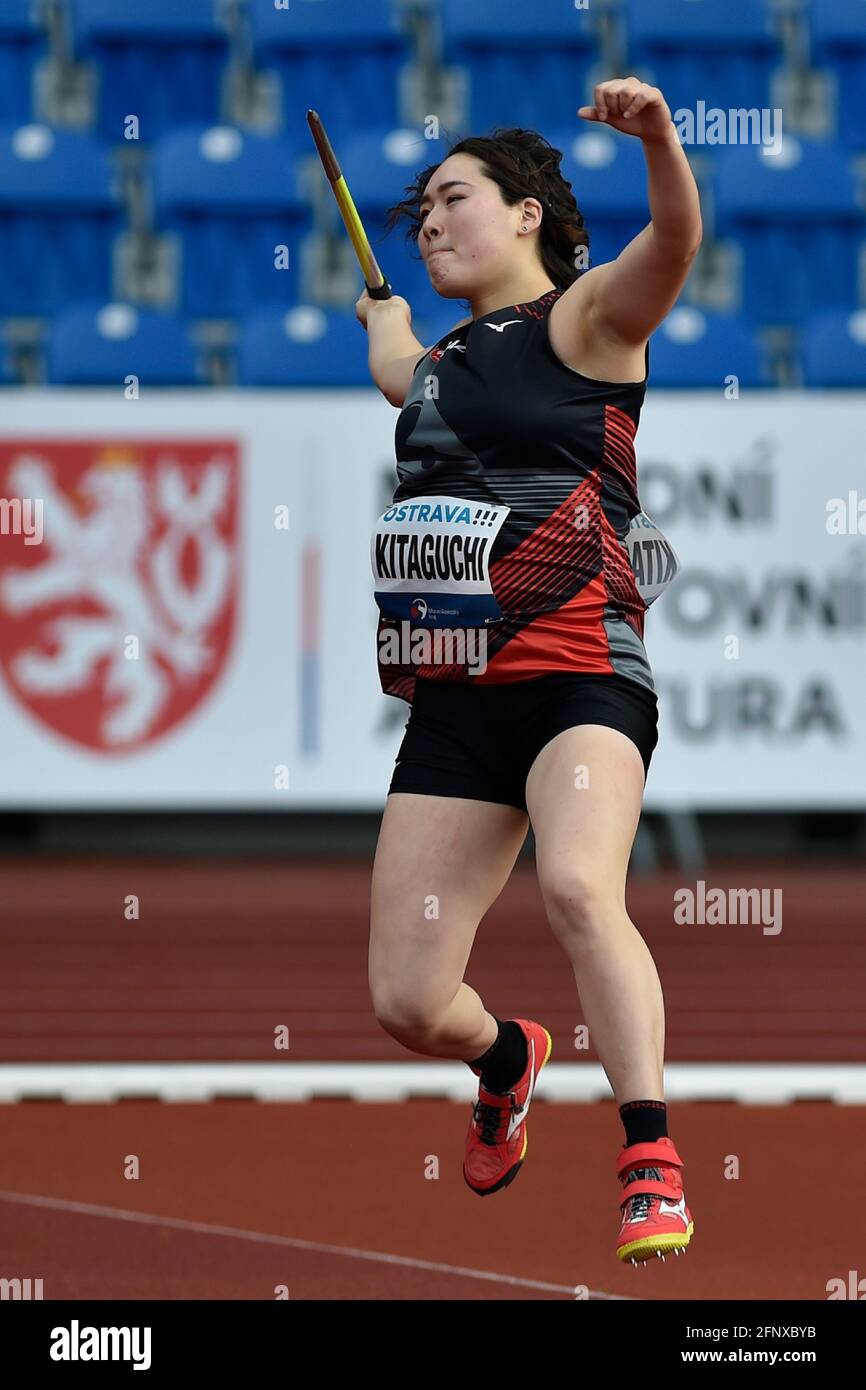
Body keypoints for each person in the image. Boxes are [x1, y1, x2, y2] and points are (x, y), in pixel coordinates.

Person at [356, 78, 702, 1266]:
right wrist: (381, 325)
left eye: (454, 198)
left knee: (574, 888)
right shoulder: (439, 360)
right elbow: (404, 370)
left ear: (528, 218)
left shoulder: (588, 321)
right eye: (420, 209)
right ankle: (506, 1058)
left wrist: (655, 136)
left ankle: (647, 1159)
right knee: (405, 1000)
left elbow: (675, 239)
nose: (431, 220)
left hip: (580, 678)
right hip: (457, 695)